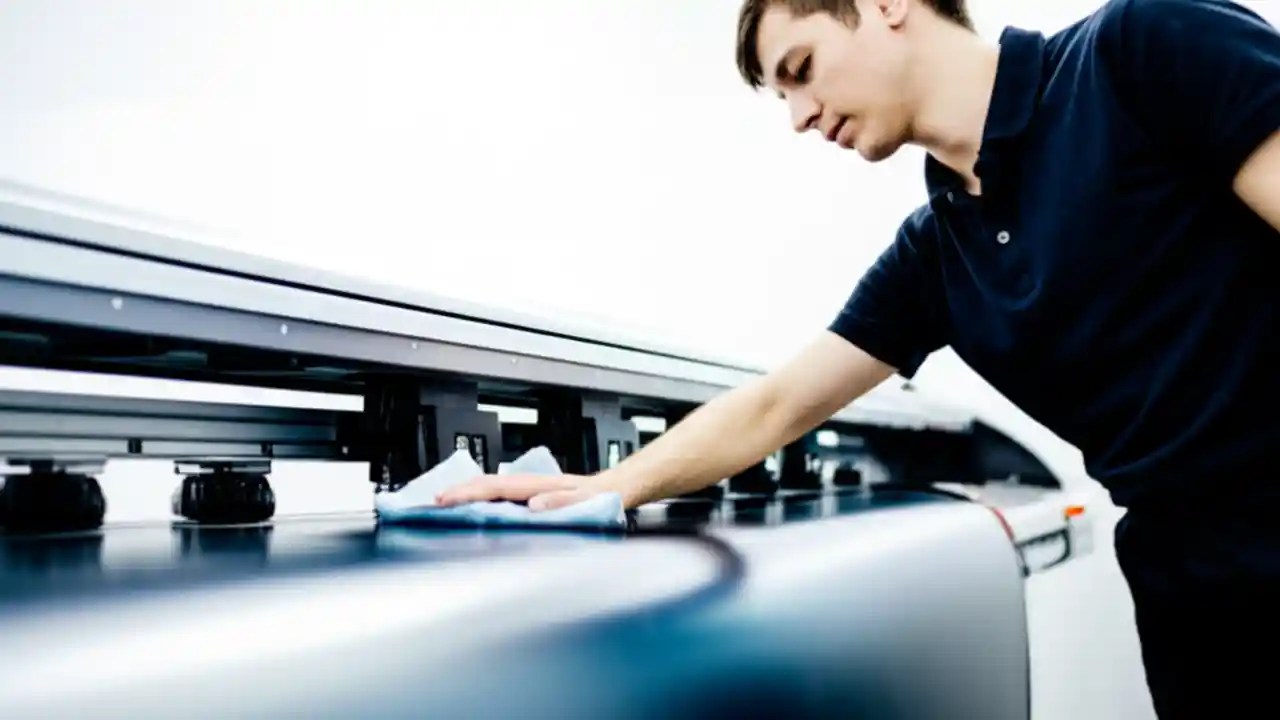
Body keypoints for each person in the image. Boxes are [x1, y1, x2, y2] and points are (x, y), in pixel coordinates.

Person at [439, 0, 1280, 715]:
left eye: (801, 69)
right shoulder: (937, 255)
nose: (800, 118)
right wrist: (600, 489)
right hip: (1190, 599)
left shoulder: (1141, 48)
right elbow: (777, 407)